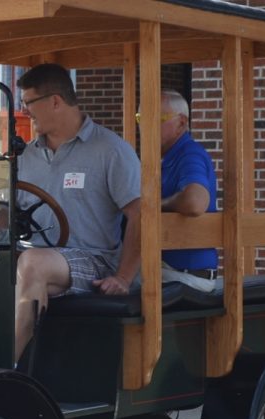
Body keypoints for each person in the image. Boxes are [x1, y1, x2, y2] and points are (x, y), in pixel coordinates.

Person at [14, 63, 142, 363]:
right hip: (34, 253)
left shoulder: (111, 150)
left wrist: (123, 277)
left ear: (55, 101)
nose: (25, 111)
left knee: (32, 264)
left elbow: (141, 215)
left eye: (28, 103)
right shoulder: (27, 156)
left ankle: (7, 372)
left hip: (93, 260)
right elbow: (10, 212)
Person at [154, 90, 218, 292]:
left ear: (181, 123)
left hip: (186, 276)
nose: (144, 125)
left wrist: (155, 205)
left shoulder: (189, 154)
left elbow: (195, 202)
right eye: (140, 118)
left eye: (155, 118)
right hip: (168, 271)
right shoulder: (160, 158)